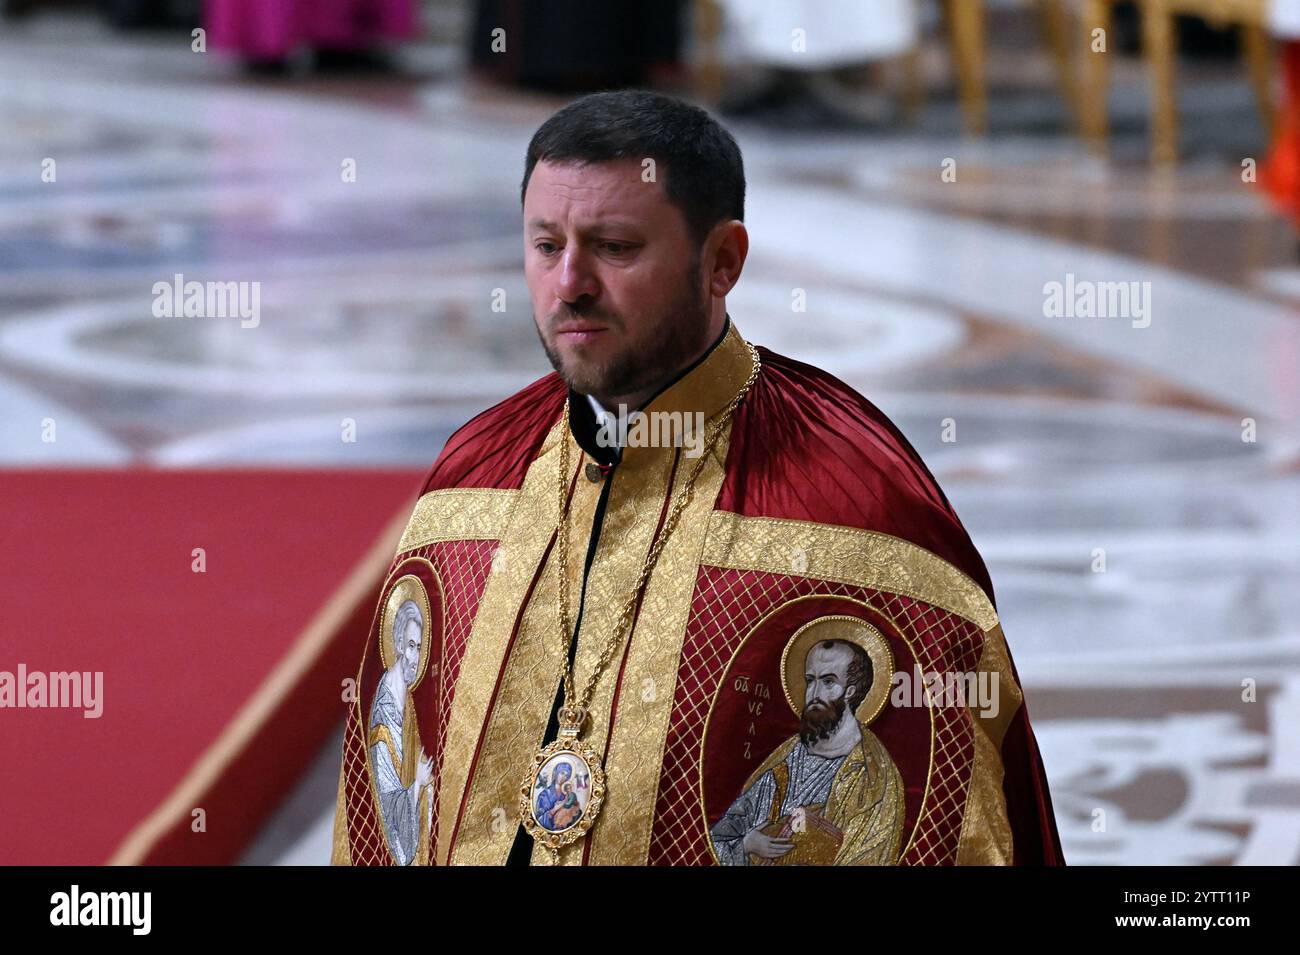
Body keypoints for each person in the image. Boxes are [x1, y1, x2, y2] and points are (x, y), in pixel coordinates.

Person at [332, 89, 1063, 866]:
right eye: (546, 246)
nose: (570, 283)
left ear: (722, 262)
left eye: (613, 247)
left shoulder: (858, 505)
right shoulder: (473, 476)